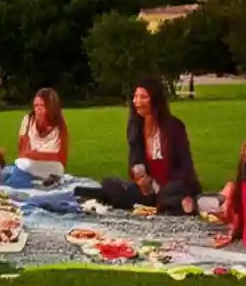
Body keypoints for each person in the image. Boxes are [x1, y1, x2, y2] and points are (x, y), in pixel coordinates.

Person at [75, 78, 201, 214]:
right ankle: (89, 194)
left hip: (173, 186)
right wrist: (139, 178)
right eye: (135, 97)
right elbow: (135, 160)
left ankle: (179, 203)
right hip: (150, 190)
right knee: (111, 184)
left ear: (155, 100)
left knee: (172, 192)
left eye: (143, 97)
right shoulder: (136, 127)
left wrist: (186, 190)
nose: (137, 102)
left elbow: (185, 164)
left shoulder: (173, 126)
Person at [15, 88, 69, 180]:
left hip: (52, 166)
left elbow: (58, 156)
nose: (37, 109)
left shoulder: (59, 127)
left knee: (57, 169)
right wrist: (34, 155)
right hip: (29, 163)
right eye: (35, 106)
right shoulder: (28, 120)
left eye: (42, 106)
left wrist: (34, 154)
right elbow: (22, 151)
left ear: (51, 107)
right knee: (21, 163)